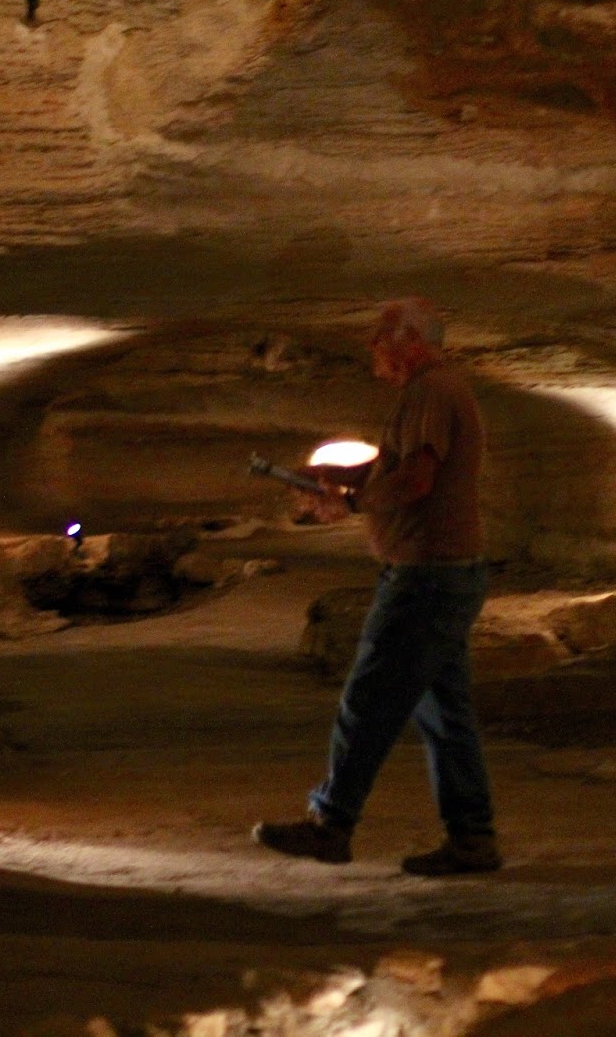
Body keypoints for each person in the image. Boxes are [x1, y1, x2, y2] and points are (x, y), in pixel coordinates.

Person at [252, 298, 501, 876]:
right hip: (442, 572)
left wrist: (353, 503)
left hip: (426, 576)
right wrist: (337, 477)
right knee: (445, 714)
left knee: (366, 702)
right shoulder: (431, 392)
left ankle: (331, 824)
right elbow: (397, 467)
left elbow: (415, 481)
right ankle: (473, 839)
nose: (371, 348)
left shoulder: (432, 392)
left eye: (378, 337)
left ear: (409, 339)